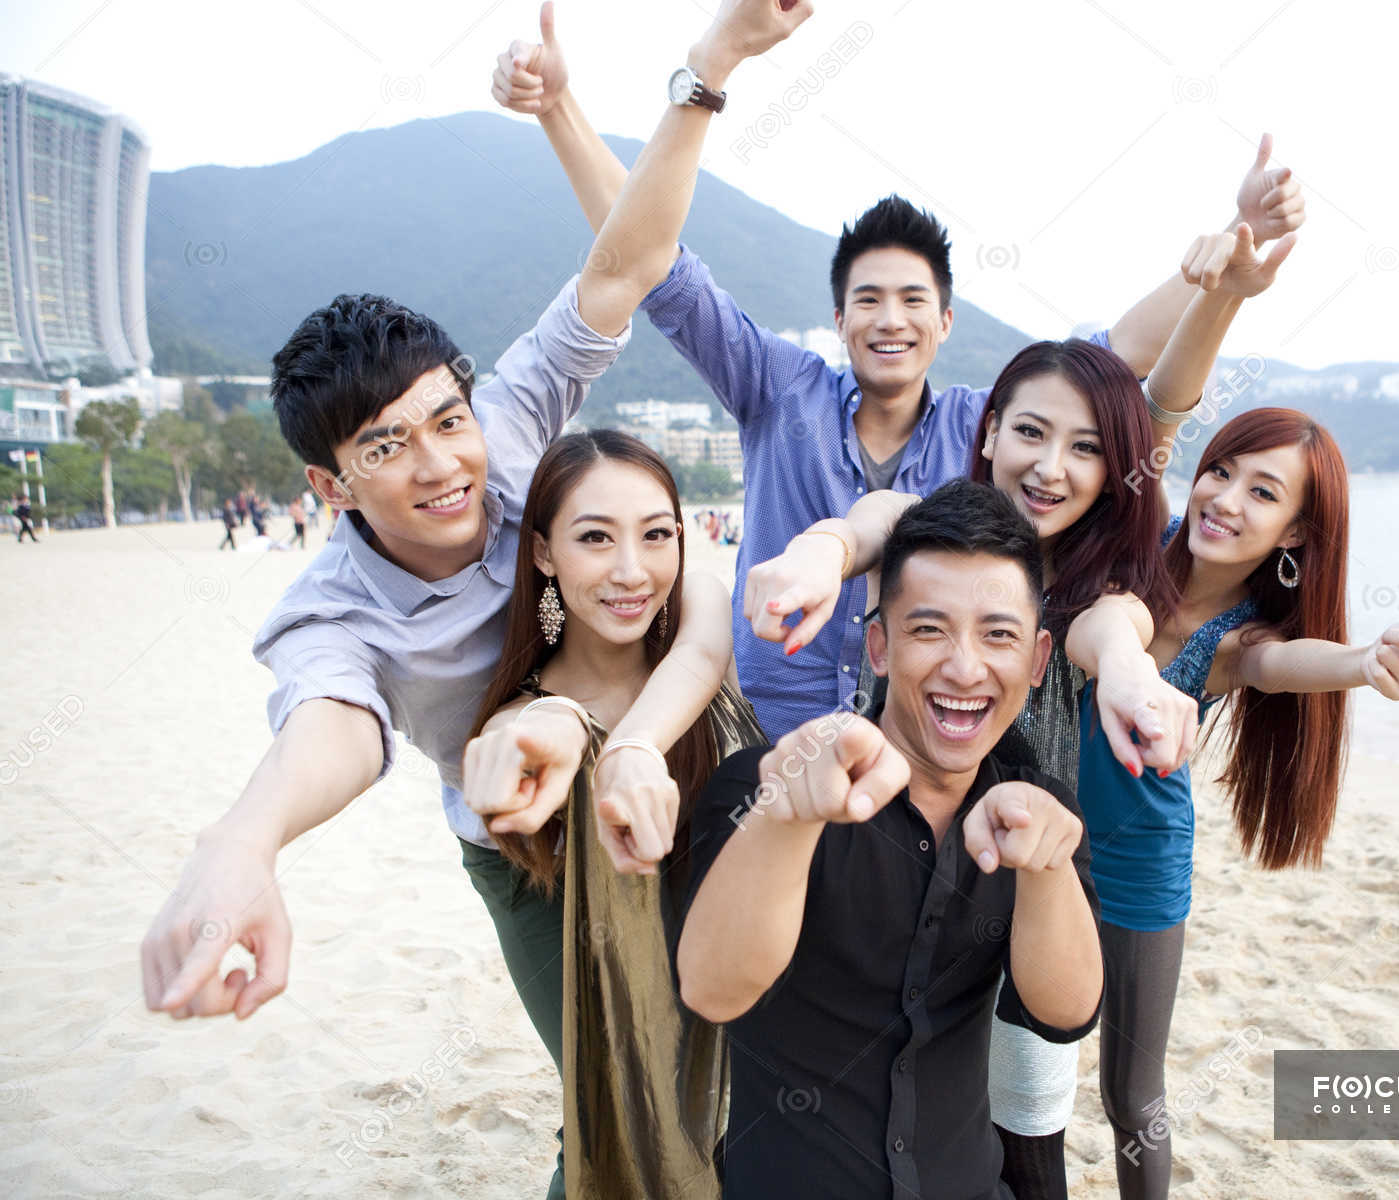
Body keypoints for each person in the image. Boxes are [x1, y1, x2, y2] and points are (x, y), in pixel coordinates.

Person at [135, 5, 816, 1196]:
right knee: (610, 1091)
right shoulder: (332, 613)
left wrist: (704, 70)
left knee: (720, 1062)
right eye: (387, 446)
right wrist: (244, 843)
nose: (445, 465)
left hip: (663, 772)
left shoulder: (505, 438)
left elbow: (628, 264)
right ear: (328, 481)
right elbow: (335, 727)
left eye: (446, 420)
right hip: (522, 845)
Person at [494, 37, 1307, 742]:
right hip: (767, 727)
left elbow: (1118, 354)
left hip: (913, 742)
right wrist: (559, 109)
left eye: (914, 301)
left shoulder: (988, 427)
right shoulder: (779, 387)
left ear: (946, 321)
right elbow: (654, 264)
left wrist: (1233, 250)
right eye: (869, 301)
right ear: (839, 318)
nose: (892, 320)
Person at [743, 219, 1297, 1197]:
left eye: (1087, 448)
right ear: (987, 430)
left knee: (1032, 1124)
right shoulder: (937, 530)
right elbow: (873, 521)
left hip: (1030, 864)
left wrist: (1132, 683)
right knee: (892, 1092)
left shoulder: (1102, 585)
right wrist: (819, 555)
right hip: (906, 855)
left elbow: (1113, 634)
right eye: (1031, 432)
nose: (1051, 467)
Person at [1068, 404, 1399, 1196]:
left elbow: (1286, 665)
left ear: (1295, 533)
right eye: (1221, 472)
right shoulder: (1131, 545)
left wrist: (1369, 661)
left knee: (1130, 1092)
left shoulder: (1240, 640)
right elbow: (1160, 395)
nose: (1224, 499)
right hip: (1040, 832)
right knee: (1018, 1044)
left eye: (1264, 493)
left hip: (1138, 861)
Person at [677, 480, 1105, 1199]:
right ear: (878, 644)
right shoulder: (768, 783)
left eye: (997, 635)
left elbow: (1066, 1014)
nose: (965, 668)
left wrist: (1049, 869)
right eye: (929, 629)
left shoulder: (1039, 812)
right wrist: (785, 818)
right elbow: (714, 991)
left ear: (1035, 660)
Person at [461, 430, 766, 1198]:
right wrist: (525, 739)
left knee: (712, 1121)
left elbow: (701, 629)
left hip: (722, 963)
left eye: (656, 535)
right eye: (595, 538)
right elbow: (524, 737)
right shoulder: (535, 717)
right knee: (615, 1105)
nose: (632, 571)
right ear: (542, 552)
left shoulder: (700, 653)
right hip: (567, 929)